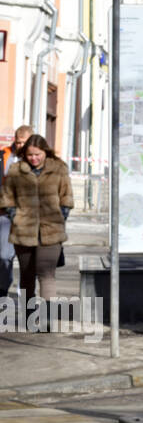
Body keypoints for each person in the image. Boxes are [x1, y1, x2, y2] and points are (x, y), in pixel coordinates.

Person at [0, 134, 72, 319]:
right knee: (27, 274)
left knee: (46, 274)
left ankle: (47, 318)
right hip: (23, 230)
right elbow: (6, 196)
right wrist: (14, 215)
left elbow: (66, 195)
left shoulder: (59, 169)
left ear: (45, 152)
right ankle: (28, 316)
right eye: (30, 155)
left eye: (37, 154)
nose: (34, 158)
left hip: (51, 229)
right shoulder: (16, 171)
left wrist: (62, 215)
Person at [0, 125, 32, 295]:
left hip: (28, 216)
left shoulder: (36, 157)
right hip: (5, 215)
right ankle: (4, 286)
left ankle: (26, 290)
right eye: (17, 142)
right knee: (4, 256)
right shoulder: (4, 156)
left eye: (23, 143)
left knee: (27, 257)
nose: (20, 146)